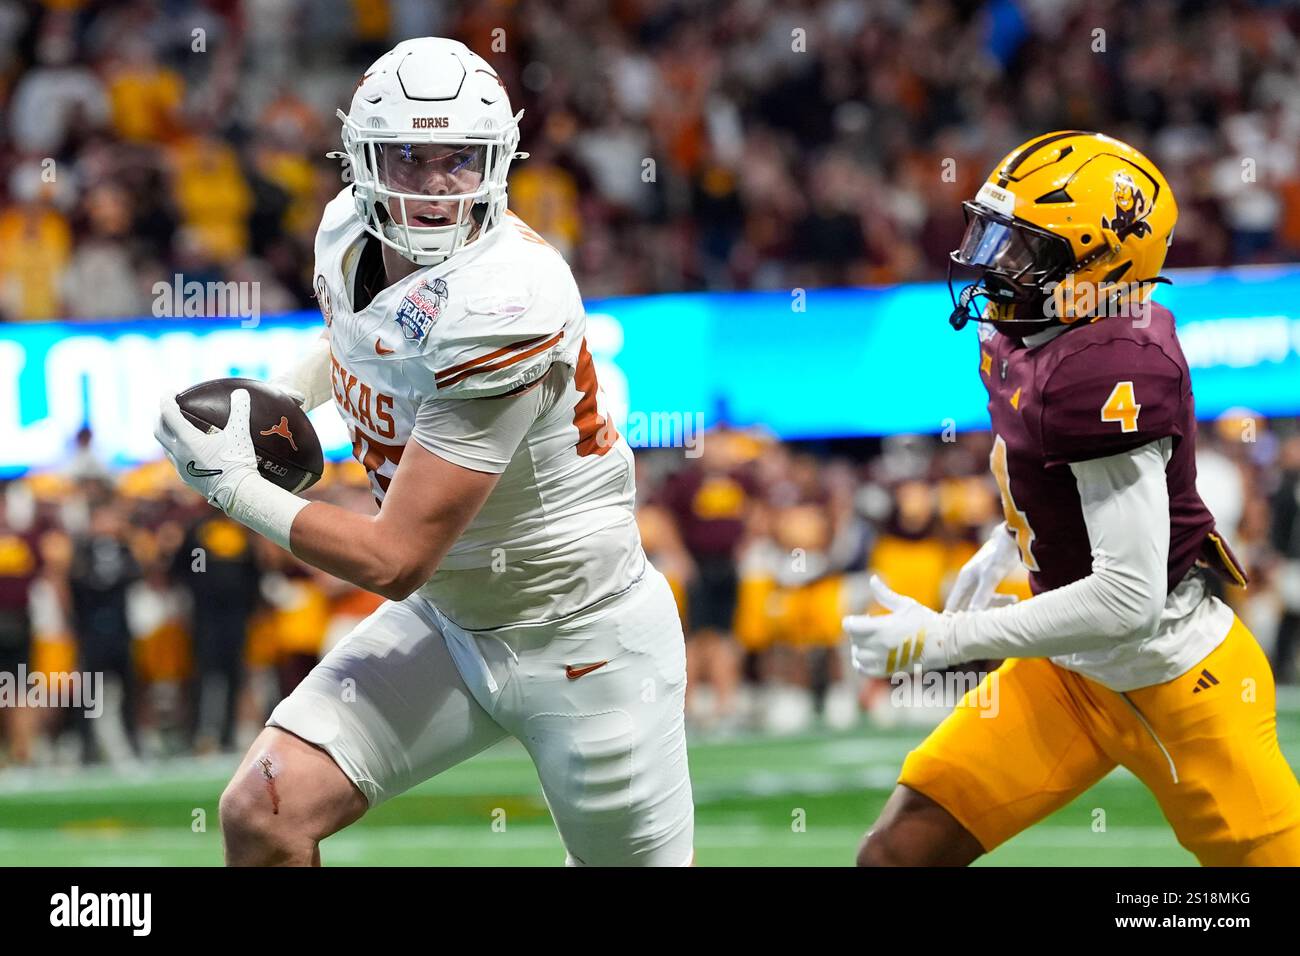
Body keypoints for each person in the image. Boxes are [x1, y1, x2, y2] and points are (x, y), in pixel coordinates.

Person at [154, 37, 693, 867]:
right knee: (264, 813)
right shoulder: (344, 233)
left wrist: (231, 482)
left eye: (461, 160)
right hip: (449, 621)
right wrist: (284, 401)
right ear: (364, 159)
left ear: (500, 161)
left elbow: (394, 558)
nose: (439, 186)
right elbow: (366, 345)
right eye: (411, 158)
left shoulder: (507, 297)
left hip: (582, 638)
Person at [844, 131, 1300, 866]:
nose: (993, 265)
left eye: (1024, 250)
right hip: (1067, 669)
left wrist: (950, 643)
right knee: (895, 856)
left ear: (1099, 264)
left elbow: (1129, 600)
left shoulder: (1108, 365)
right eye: (994, 236)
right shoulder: (1025, 331)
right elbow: (1048, 474)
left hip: (1175, 679)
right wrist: (1010, 542)